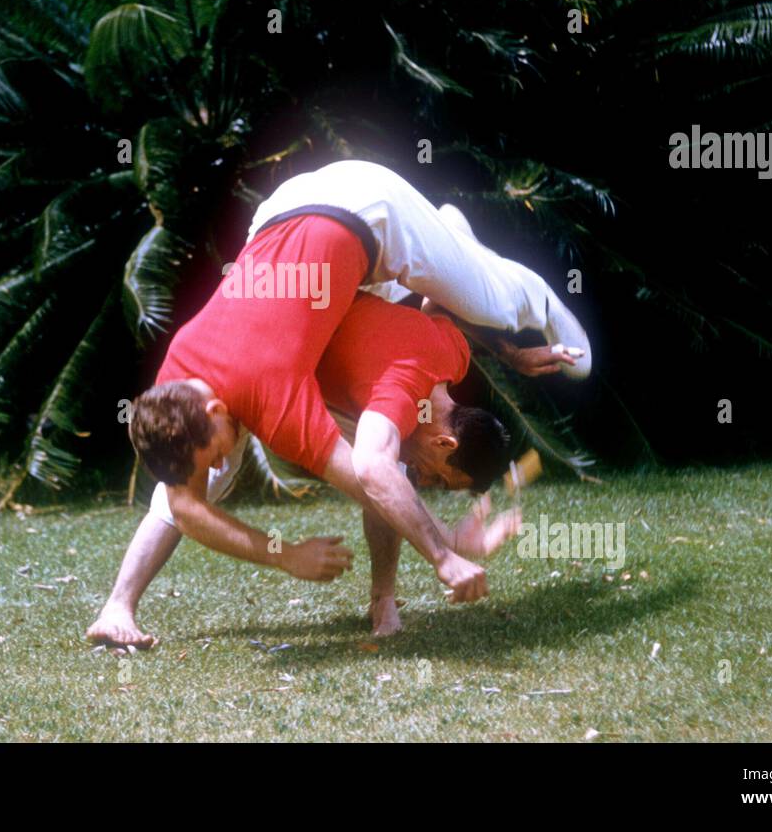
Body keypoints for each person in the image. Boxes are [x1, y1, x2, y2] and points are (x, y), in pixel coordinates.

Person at [115, 161, 590, 634]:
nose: (222, 458)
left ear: (214, 409)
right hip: (283, 222)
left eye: (217, 448)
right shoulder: (177, 374)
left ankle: (536, 295)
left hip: (366, 205)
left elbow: (372, 475)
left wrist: (446, 552)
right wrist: (289, 556)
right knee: (208, 478)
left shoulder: (270, 391)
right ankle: (118, 607)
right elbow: (185, 505)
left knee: (493, 302)